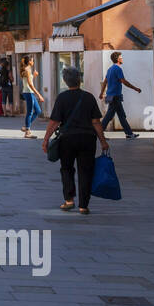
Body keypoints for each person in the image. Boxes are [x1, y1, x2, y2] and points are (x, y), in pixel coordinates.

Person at [42, 66, 110, 215]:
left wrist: (46, 139)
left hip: (67, 139)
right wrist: (103, 141)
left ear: (65, 81)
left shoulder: (62, 98)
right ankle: (83, 206)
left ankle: (69, 200)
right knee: (86, 171)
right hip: (87, 139)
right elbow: (96, 122)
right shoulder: (89, 97)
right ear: (79, 80)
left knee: (66, 168)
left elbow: (54, 122)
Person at [100, 51, 142, 139]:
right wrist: (135, 88)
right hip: (115, 96)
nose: (122, 59)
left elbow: (105, 82)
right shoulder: (118, 69)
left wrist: (101, 93)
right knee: (109, 116)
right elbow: (124, 81)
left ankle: (129, 134)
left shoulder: (110, 69)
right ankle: (99, 133)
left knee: (121, 115)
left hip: (111, 95)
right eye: (121, 57)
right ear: (118, 59)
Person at [20, 58, 44, 138]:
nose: (33, 62)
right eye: (32, 60)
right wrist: (39, 95)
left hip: (28, 92)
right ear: (29, 61)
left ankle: (26, 126)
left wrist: (34, 76)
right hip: (29, 92)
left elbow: (28, 81)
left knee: (38, 110)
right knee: (30, 112)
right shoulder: (27, 70)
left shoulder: (27, 69)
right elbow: (30, 84)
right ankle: (27, 132)